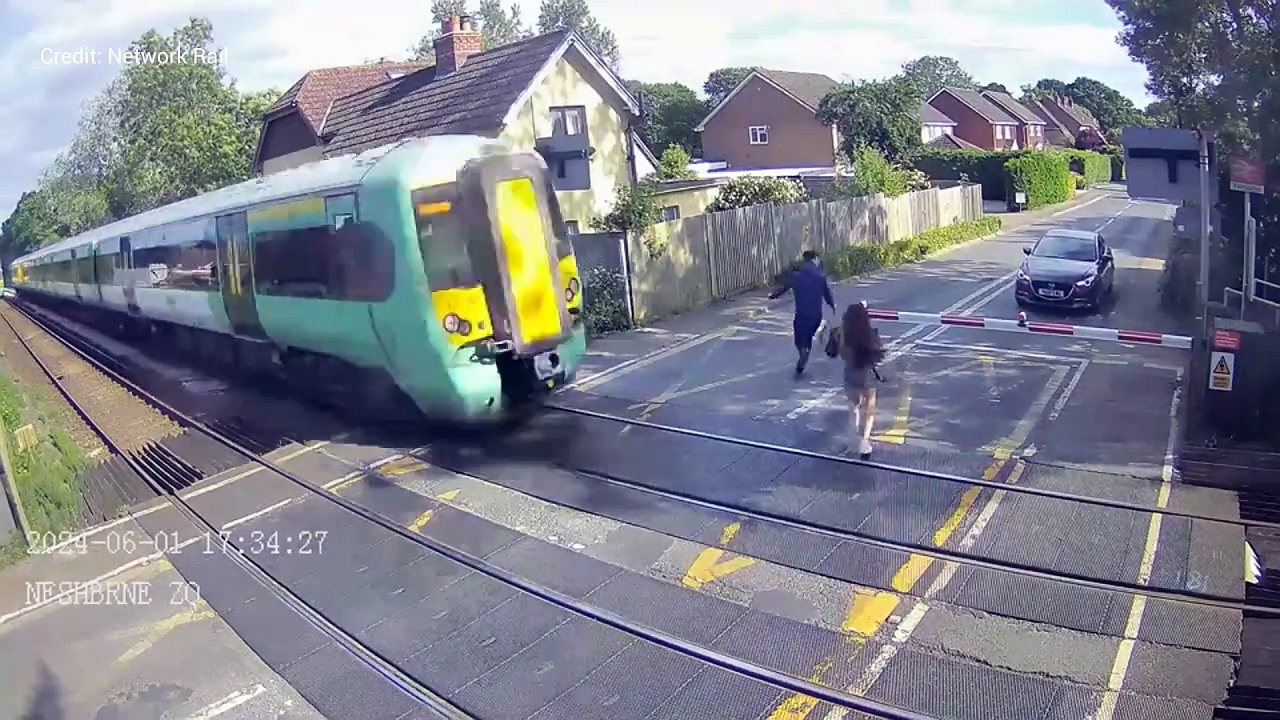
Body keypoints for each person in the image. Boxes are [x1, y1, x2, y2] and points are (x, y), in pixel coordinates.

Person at [769, 250, 836, 376]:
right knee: (808, 336)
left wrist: (773, 296)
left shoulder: (797, 276)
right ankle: (806, 351)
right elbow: (827, 294)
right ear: (814, 259)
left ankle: (803, 353)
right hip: (816, 316)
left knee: (799, 340)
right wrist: (832, 306)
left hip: (801, 315)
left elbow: (784, 288)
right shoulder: (820, 277)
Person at [840, 301, 884, 459]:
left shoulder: (844, 335)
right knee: (869, 408)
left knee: (853, 407)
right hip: (868, 376)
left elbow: (842, 354)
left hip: (851, 375)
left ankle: (854, 439)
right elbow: (878, 354)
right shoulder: (870, 335)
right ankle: (864, 443)